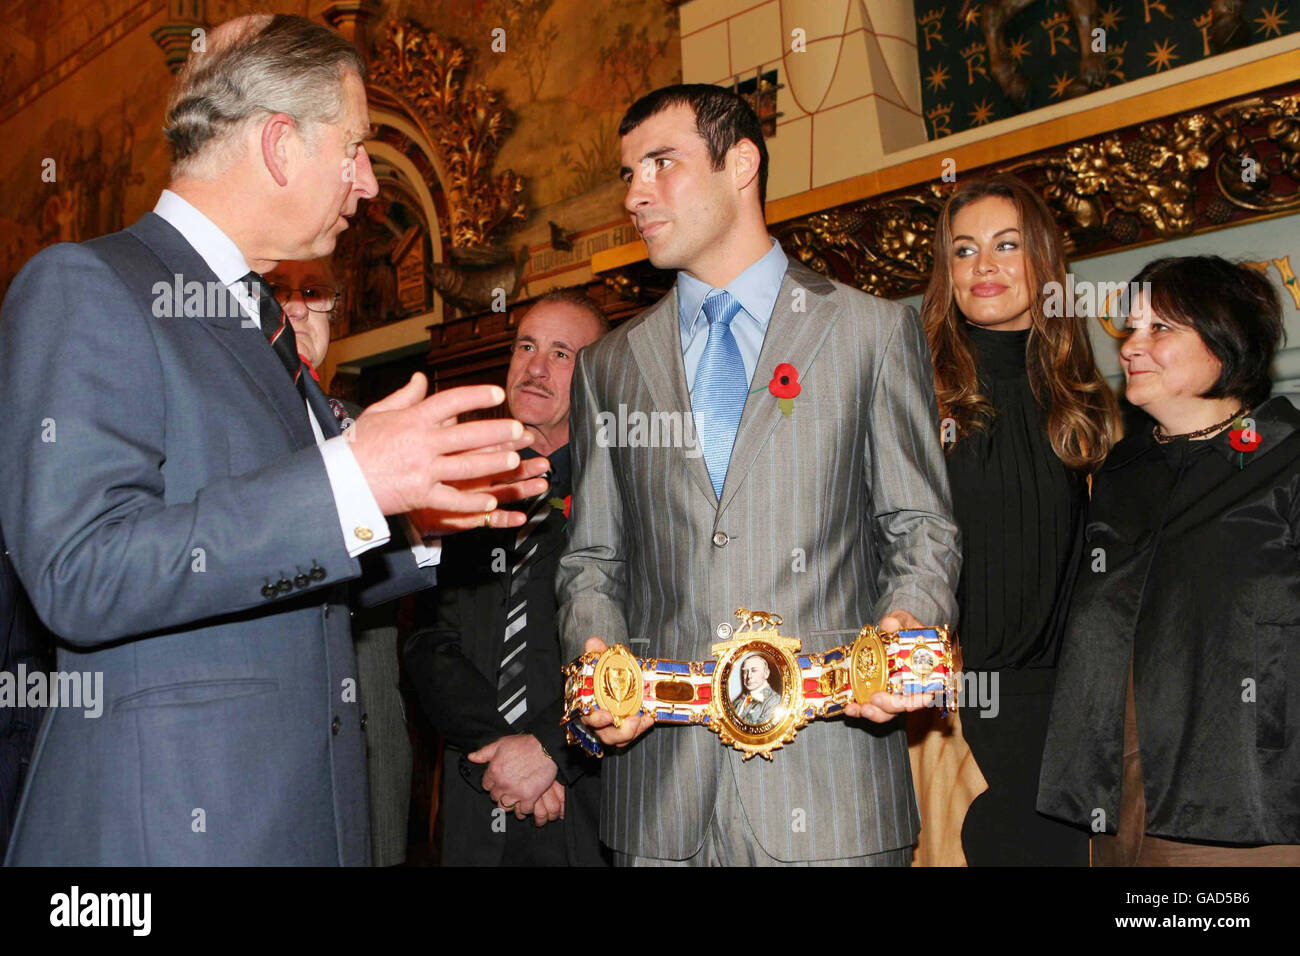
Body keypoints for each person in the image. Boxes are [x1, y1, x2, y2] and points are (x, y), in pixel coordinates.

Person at [0, 14, 548, 866]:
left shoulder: (254, 320)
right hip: (172, 828)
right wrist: (352, 481)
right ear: (281, 145)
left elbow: (279, 575)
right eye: (356, 149)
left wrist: (416, 529)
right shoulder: (89, 285)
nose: (367, 183)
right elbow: (79, 570)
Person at [557, 84, 961, 866]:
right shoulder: (609, 366)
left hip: (833, 789)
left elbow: (921, 527)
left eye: (660, 163)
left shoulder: (870, 331)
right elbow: (592, 560)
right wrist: (598, 661)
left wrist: (906, 632)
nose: (635, 193)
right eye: (628, 173)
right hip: (660, 801)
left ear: (741, 163)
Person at [1038, 255, 1300, 865]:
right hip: (1114, 799)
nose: (1132, 347)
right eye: (1131, 329)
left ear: (1226, 341)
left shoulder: (1286, 457)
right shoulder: (1118, 473)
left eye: (1160, 330)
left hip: (1241, 807)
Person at [920, 174, 1119, 865]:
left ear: (1043, 260)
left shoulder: (1086, 402)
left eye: (1007, 245)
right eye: (964, 251)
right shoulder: (911, 393)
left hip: (1062, 720)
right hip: (943, 714)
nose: (985, 267)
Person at [404, 289, 611, 866]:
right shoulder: (464, 493)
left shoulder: (625, 496)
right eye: (526, 346)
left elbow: (641, 645)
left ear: (597, 375)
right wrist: (503, 755)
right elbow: (429, 643)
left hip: (584, 806)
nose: (536, 367)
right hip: (479, 804)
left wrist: (551, 750)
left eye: (562, 353)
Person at [266, 257, 411, 867]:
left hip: (372, 715)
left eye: (314, 292)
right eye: (279, 292)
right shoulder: (237, 421)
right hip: (279, 736)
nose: (298, 306)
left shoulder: (366, 426)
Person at [730, 654, 780, 725]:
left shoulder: (774, 700)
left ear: (766, 673)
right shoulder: (737, 702)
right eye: (745, 671)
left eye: (754, 670)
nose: (749, 676)